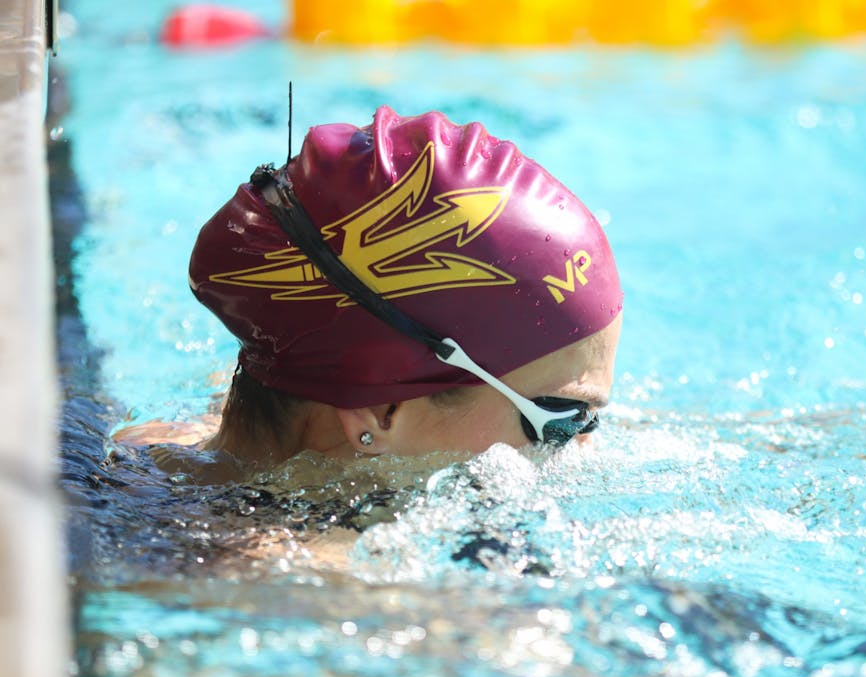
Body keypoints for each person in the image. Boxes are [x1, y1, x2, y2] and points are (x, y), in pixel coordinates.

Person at [123, 106, 623, 481]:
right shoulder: (289, 580)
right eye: (560, 423)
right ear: (381, 414)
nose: (588, 451)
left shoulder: (171, 440)